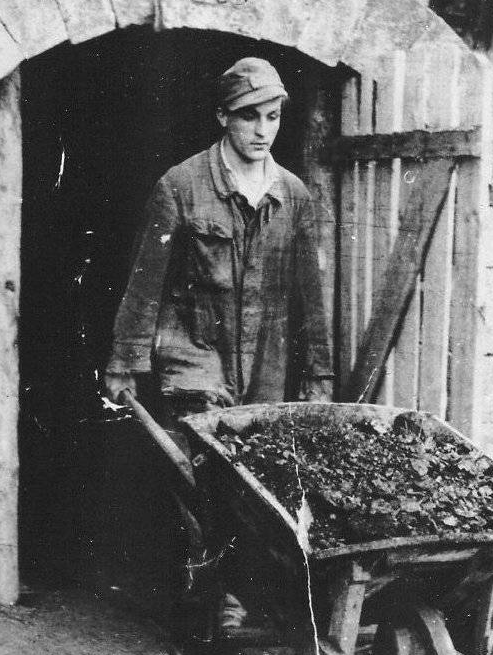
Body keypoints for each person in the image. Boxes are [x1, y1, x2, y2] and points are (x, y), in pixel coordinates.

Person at [104, 57, 332, 415]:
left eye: (272, 117)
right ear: (223, 116)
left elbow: (310, 295)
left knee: (254, 445)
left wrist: (318, 375)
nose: (262, 131)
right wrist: (124, 362)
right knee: (202, 443)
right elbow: (145, 283)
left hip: (265, 365)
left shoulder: (293, 195)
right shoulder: (180, 186)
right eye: (249, 116)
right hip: (193, 355)